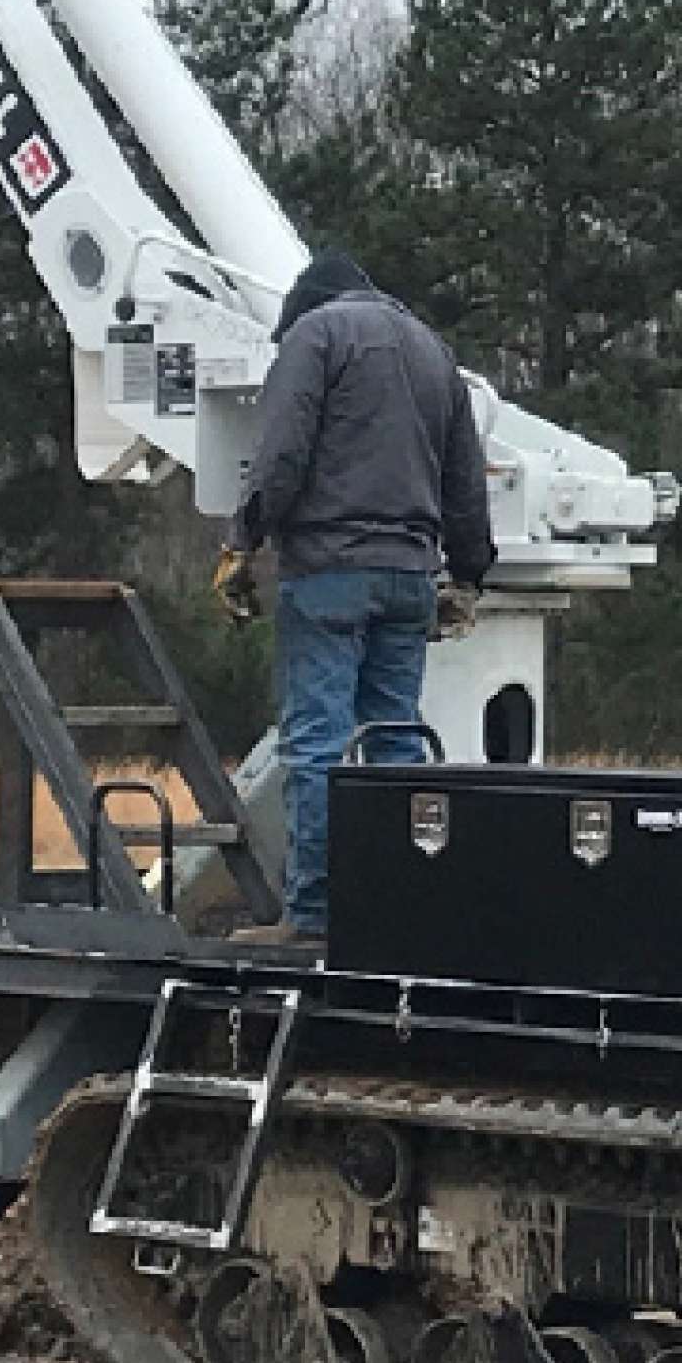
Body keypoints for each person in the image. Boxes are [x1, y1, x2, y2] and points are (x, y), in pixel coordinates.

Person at [217, 251, 494, 947]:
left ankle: (312, 917)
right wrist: (468, 572)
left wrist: (243, 540)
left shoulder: (315, 338)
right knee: (396, 738)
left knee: (317, 743)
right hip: (410, 577)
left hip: (330, 569)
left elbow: (280, 455)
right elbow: (465, 477)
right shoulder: (434, 351)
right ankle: (399, 908)